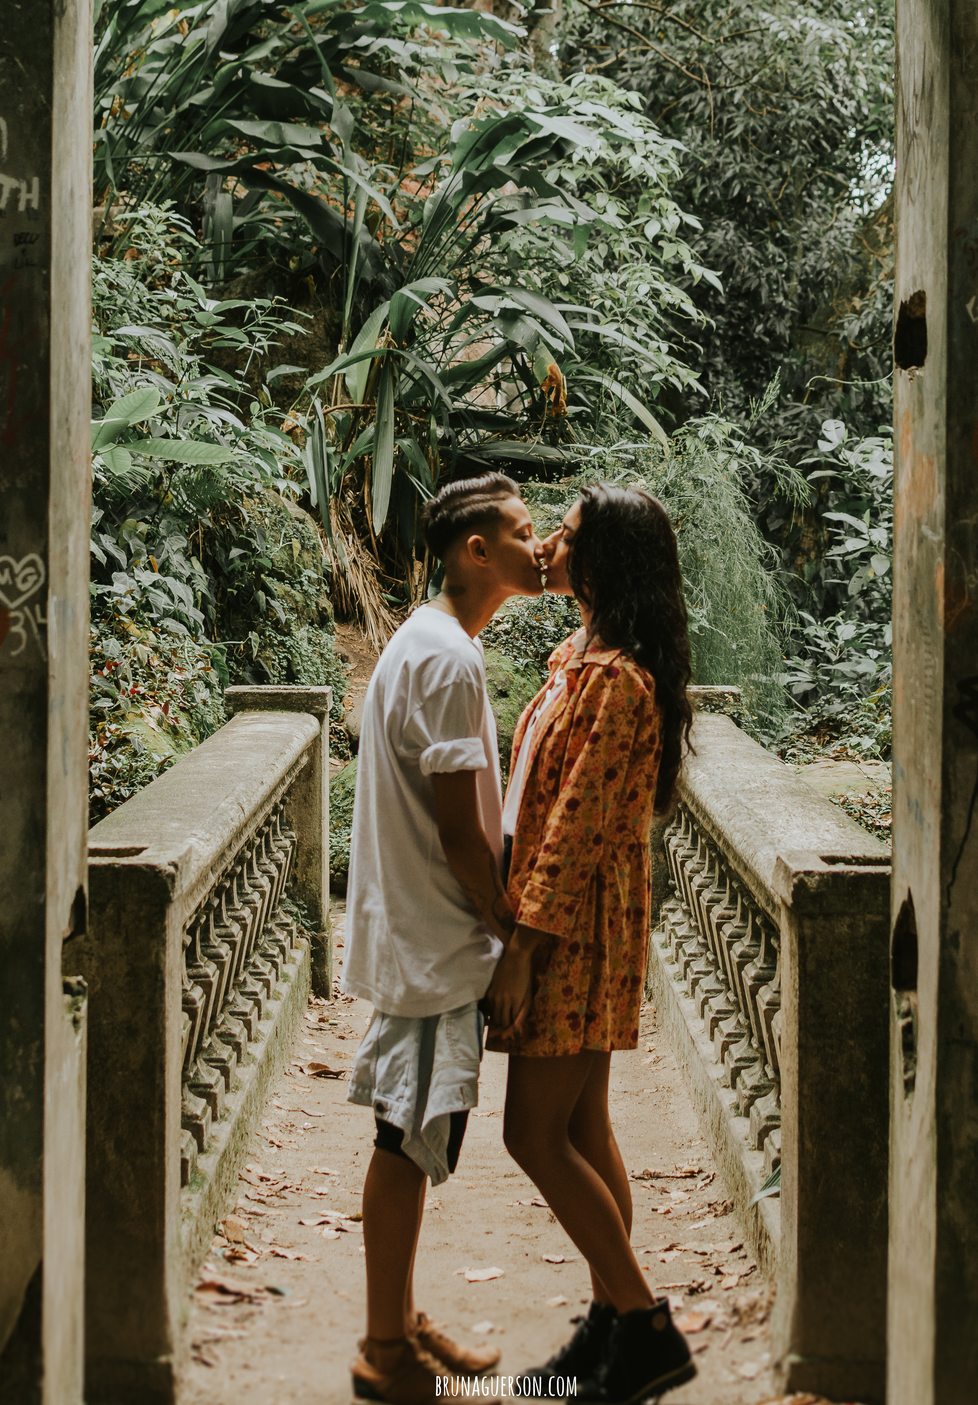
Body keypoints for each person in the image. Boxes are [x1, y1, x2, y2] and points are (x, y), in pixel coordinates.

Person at [486, 484, 696, 1405]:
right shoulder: (583, 658)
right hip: (568, 922)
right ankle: (612, 1327)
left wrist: (523, 952)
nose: (549, 548)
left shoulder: (618, 684)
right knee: (580, 1128)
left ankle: (644, 1326)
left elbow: (574, 830)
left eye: (566, 538)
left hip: (573, 931)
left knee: (530, 1134)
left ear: (604, 559)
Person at [342, 472, 543, 1405]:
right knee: (405, 1139)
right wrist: (511, 927)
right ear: (478, 550)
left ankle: (398, 1318)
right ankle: (385, 1350)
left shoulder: (424, 640)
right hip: (434, 940)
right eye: (524, 531)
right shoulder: (450, 659)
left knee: (410, 1135)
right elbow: (463, 834)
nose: (539, 546)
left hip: (415, 932)